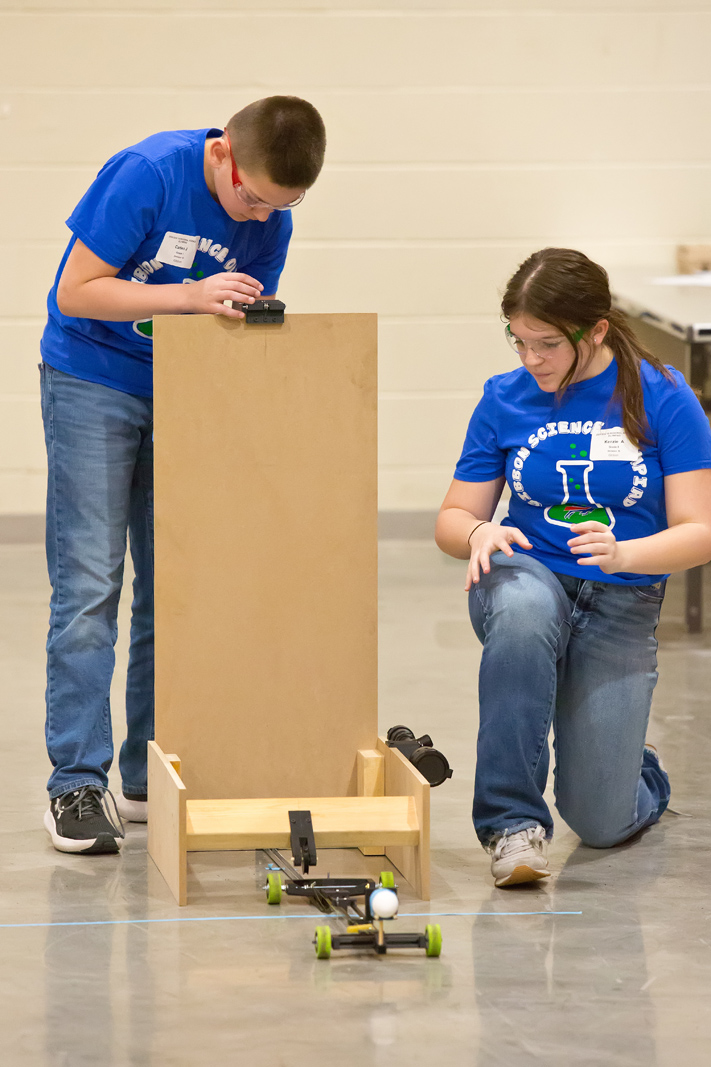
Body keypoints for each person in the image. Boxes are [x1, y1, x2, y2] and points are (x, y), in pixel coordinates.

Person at [41, 96, 326, 854]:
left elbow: (237, 322)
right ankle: (76, 782)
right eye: (252, 198)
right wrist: (189, 296)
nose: (261, 217)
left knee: (172, 588)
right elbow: (76, 290)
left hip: (183, 388)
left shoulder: (271, 220)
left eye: (281, 206)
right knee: (90, 584)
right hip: (92, 379)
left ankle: (147, 775)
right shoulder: (149, 173)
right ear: (223, 151)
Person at [435, 247, 711, 887]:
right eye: (519, 341)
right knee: (524, 613)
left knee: (603, 821)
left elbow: (699, 532)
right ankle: (511, 825)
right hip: (527, 576)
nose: (531, 359)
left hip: (622, 600)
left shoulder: (665, 396)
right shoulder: (503, 398)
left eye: (549, 345)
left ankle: (634, 767)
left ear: (597, 331)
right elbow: (452, 518)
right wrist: (479, 531)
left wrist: (626, 554)